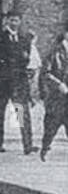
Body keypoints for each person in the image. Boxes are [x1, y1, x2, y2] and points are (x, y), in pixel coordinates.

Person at [0, 11, 35, 154]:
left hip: (19, 81)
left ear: (20, 22)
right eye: (11, 20)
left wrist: (28, 70)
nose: (13, 23)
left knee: (21, 113)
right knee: (0, 112)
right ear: (6, 21)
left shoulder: (24, 39)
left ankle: (27, 144)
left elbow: (28, 59)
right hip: (3, 81)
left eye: (16, 20)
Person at [39, 30, 68, 161]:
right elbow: (45, 73)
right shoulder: (54, 51)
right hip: (57, 98)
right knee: (51, 126)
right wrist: (59, 84)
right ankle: (44, 150)